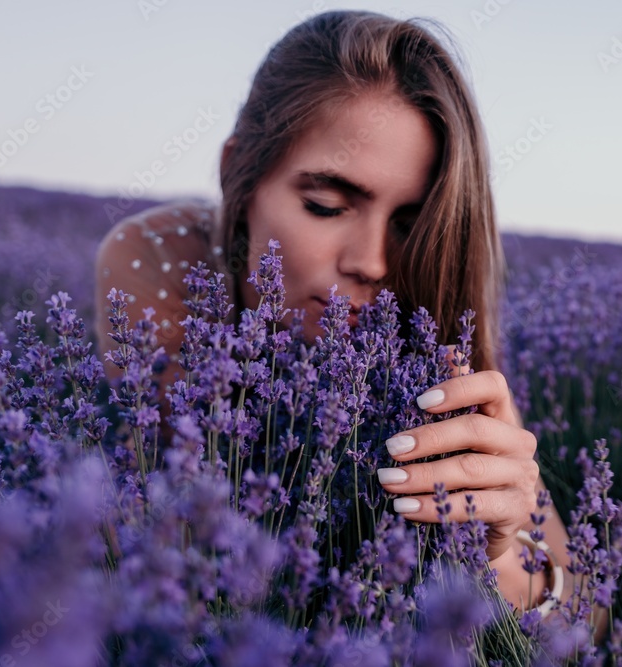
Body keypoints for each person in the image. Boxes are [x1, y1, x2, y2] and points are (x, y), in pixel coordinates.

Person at [94, 9, 580, 621]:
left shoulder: (424, 303)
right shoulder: (165, 258)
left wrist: (500, 558)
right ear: (236, 178)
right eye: (326, 205)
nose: (374, 262)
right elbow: (186, 540)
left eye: (409, 223)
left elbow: (584, 618)